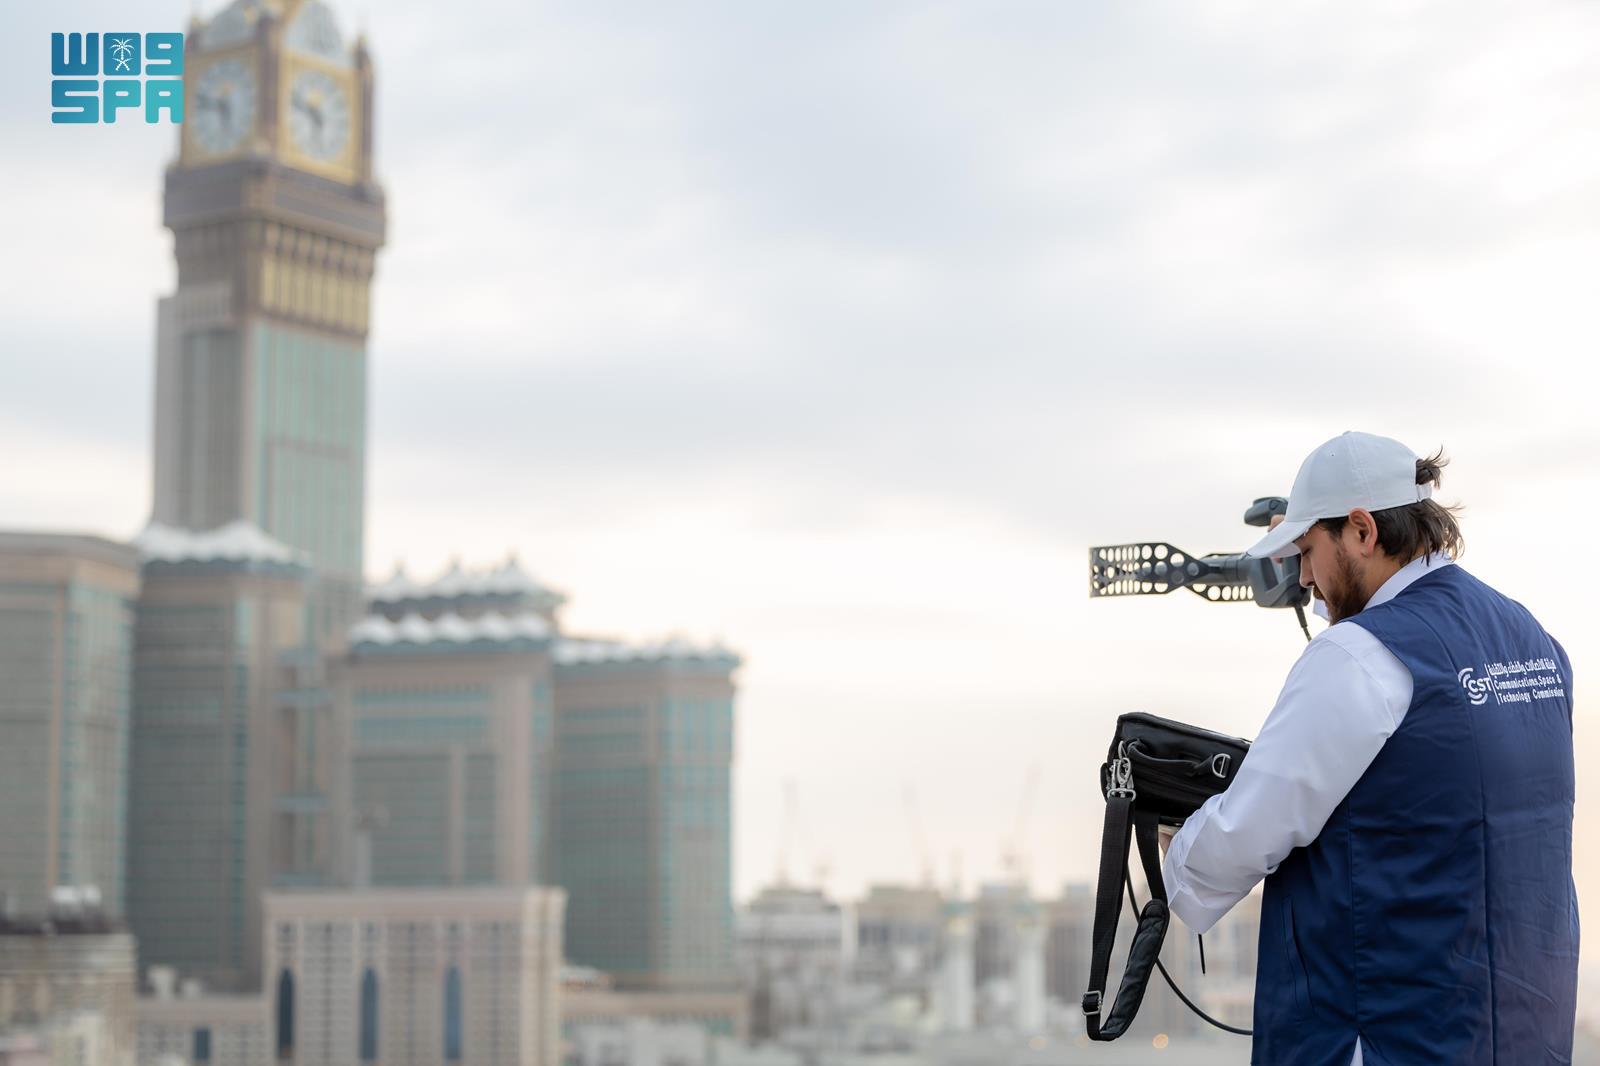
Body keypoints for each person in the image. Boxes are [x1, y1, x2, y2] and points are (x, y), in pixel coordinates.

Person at [1159, 431, 1578, 1066]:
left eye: (1306, 550)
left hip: (1387, 1038)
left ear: (1361, 531)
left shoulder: (1355, 657)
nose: (1302, 577)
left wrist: (1177, 837)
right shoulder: (1536, 643)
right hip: (1520, 1039)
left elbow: (1238, 843)